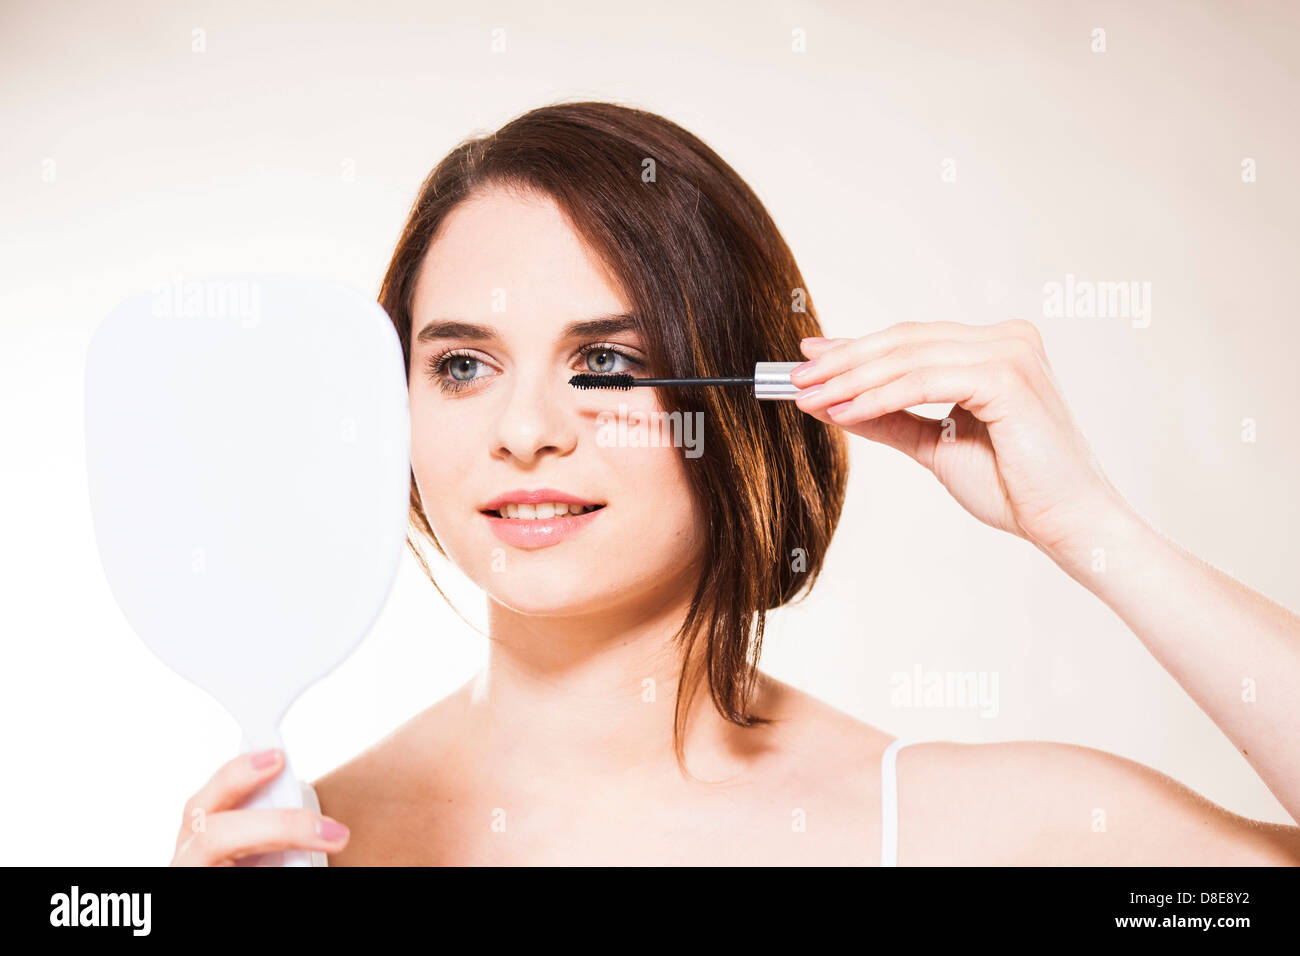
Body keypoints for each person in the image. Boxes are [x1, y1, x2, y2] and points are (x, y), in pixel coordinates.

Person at [171, 102, 1300, 866]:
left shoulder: (962, 828)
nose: (523, 431)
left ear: (744, 398)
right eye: (462, 364)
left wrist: (1084, 524)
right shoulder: (302, 842)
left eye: (605, 364)